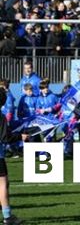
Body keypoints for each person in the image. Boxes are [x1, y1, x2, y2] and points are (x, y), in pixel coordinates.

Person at [0, 88, 23, 225]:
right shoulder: (1, 116)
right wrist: (20, 136)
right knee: (3, 184)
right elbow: (5, 138)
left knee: (5, 182)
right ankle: (8, 216)